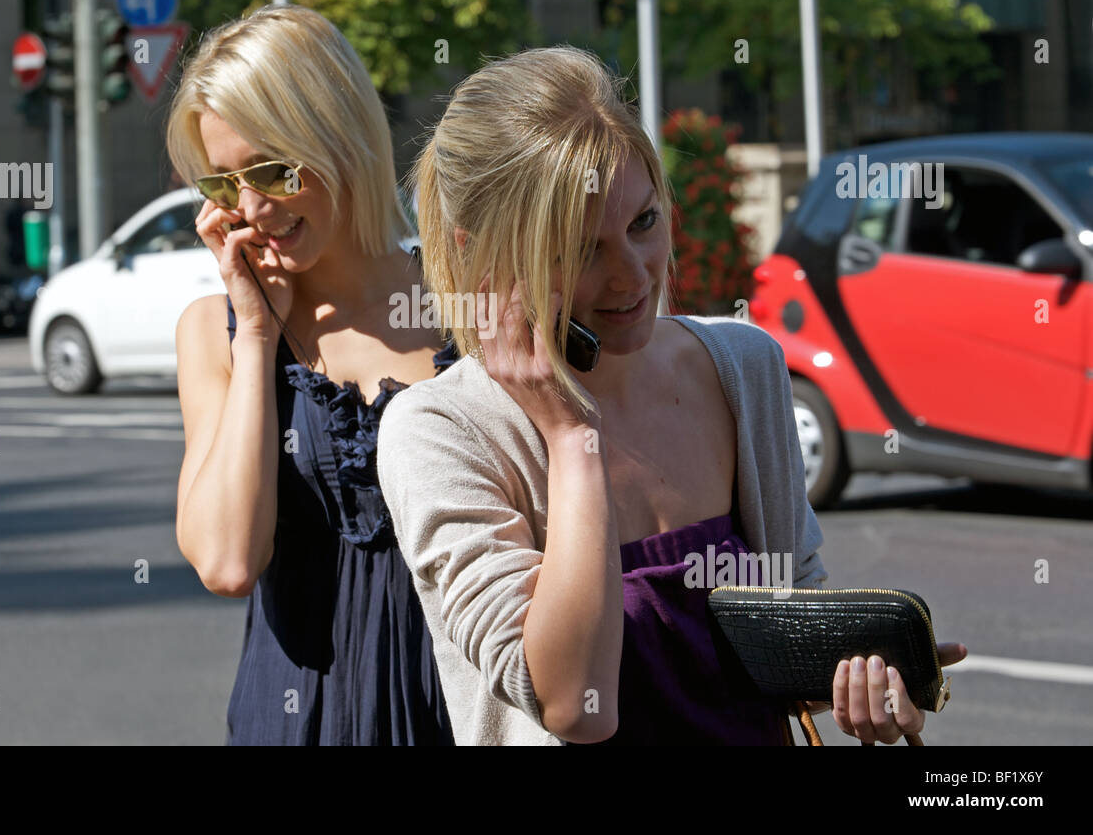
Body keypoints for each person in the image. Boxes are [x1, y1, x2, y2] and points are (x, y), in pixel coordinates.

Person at [377, 46, 966, 746]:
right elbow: (575, 704)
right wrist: (571, 437)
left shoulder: (742, 365)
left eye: (644, 223)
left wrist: (862, 675)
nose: (631, 276)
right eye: (579, 247)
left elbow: (788, 614)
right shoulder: (441, 429)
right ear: (483, 255)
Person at [167, 4, 455, 745]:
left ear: (341, 136)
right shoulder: (216, 332)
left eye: (272, 170)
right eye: (226, 186)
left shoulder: (468, 306)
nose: (255, 208)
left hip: (457, 714)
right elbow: (228, 559)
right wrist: (259, 336)